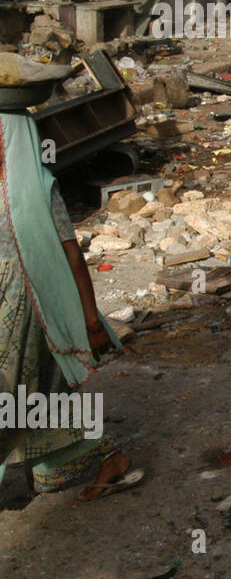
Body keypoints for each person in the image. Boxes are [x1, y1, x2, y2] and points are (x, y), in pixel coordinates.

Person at [1, 59, 138, 500]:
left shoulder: (39, 191)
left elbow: (72, 256)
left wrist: (91, 322)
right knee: (38, 399)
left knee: (22, 399)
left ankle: (101, 457)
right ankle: (102, 457)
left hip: (31, 306)